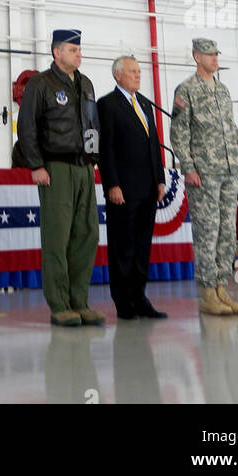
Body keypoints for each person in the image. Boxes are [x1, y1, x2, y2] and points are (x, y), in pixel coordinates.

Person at [16, 29, 104, 327]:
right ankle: (59, 304)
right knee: (57, 236)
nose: (79, 54)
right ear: (57, 52)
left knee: (87, 233)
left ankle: (80, 301)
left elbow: (92, 125)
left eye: (79, 50)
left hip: (83, 169)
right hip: (55, 168)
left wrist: (94, 161)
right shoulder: (41, 84)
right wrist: (36, 165)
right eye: (73, 50)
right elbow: (26, 127)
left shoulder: (86, 84)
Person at [169, 37, 238, 316]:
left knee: (228, 231)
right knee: (207, 231)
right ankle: (207, 293)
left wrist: (237, 158)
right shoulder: (186, 90)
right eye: (209, 54)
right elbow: (179, 132)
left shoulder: (223, 91)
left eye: (216, 53)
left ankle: (222, 288)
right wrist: (188, 167)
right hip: (203, 172)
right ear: (196, 57)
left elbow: (232, 129)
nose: (215, 58)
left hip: (227, 170)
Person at [97, 55, 167, 320]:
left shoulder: (145, 104)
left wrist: (160, 179)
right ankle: (124, 302)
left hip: (148, 188)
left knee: (141, 247)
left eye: (139, 71)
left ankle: (140, 298)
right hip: (123, 190)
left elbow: (155, 144)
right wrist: (112, 184)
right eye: (132, 71)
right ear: (118, 75)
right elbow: (107, 149)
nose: (138, 75)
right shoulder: (107, 104)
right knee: (122, 248)